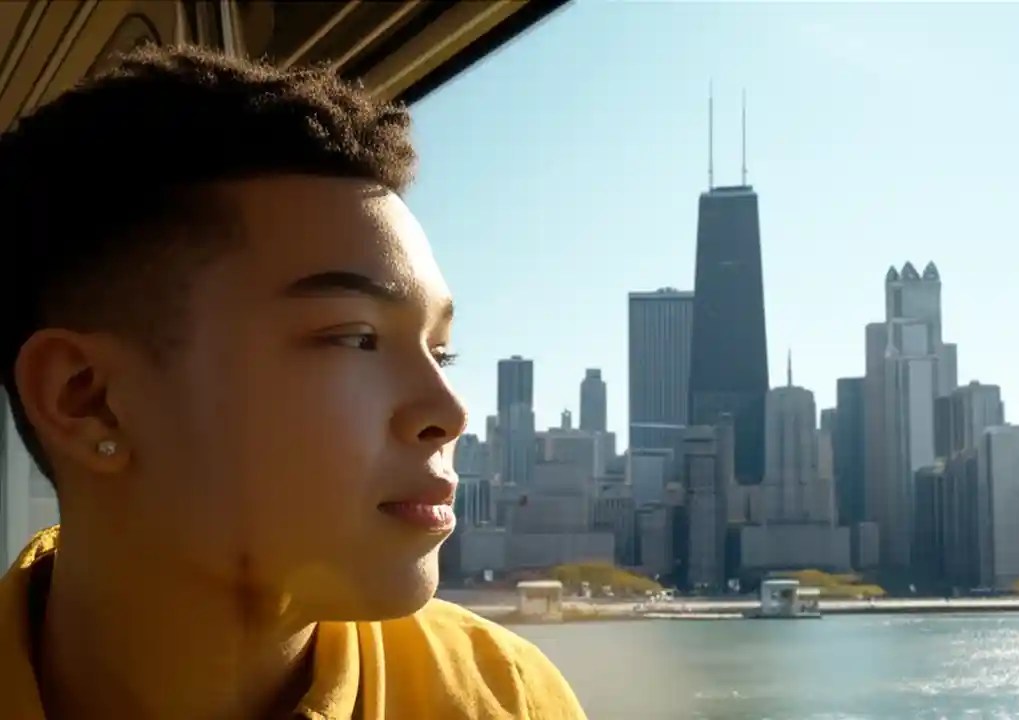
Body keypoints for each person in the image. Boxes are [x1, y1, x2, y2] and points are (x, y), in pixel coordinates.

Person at [0, 44, 587, 720]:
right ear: (88, 399)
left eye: (441, 352)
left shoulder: (506, 698)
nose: (448, 414)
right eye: (355, 338)